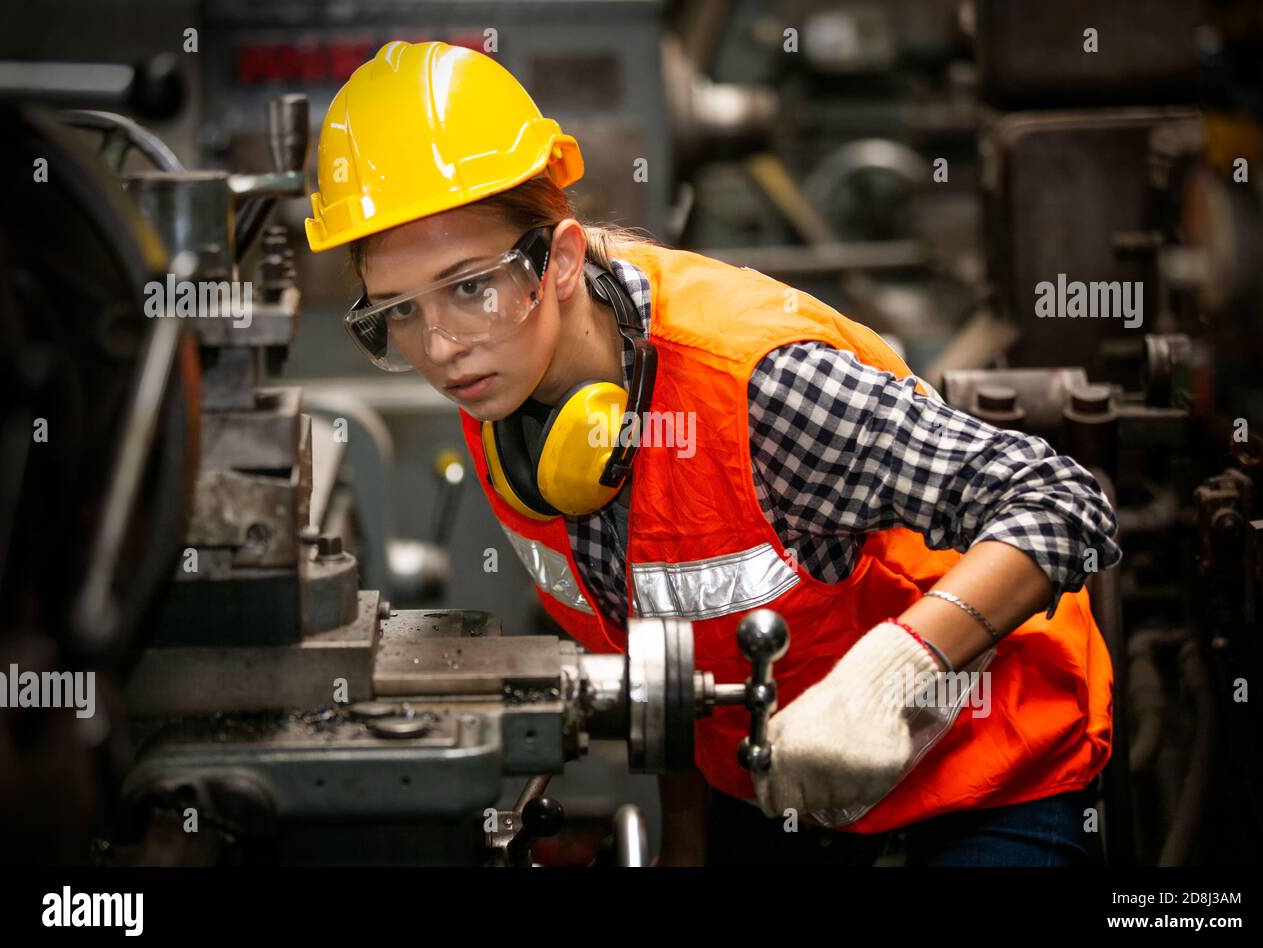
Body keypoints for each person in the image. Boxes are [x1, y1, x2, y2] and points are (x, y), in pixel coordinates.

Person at [305, 40, 1122, 866]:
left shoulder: (759, 387)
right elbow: (664, 653)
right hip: (782, 775)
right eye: (398, 312)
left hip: (986, 760)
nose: (439, 346)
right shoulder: (507, 402)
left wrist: (897, 674)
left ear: (556, 261)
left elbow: (1058, 500)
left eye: (468, 286)